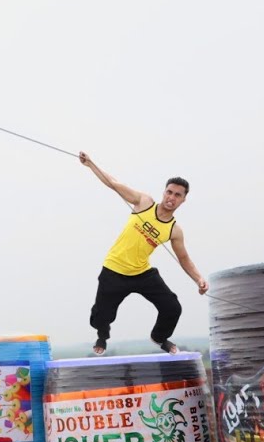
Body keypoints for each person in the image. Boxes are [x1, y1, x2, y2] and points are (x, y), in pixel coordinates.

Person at [78, 152, 207, 355]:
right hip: (114, 269)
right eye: (169, 192)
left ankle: (159, 337)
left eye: (177, 195)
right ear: (164, 192)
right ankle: (102, 334)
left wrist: (199, 278)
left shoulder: (174, 230)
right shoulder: (144, 202)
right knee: (101, 315)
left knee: (172, 307)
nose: (171, 198)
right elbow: (113, 183)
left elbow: (184, 259)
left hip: (142, 273)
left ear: (183, 200)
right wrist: (91, 165)